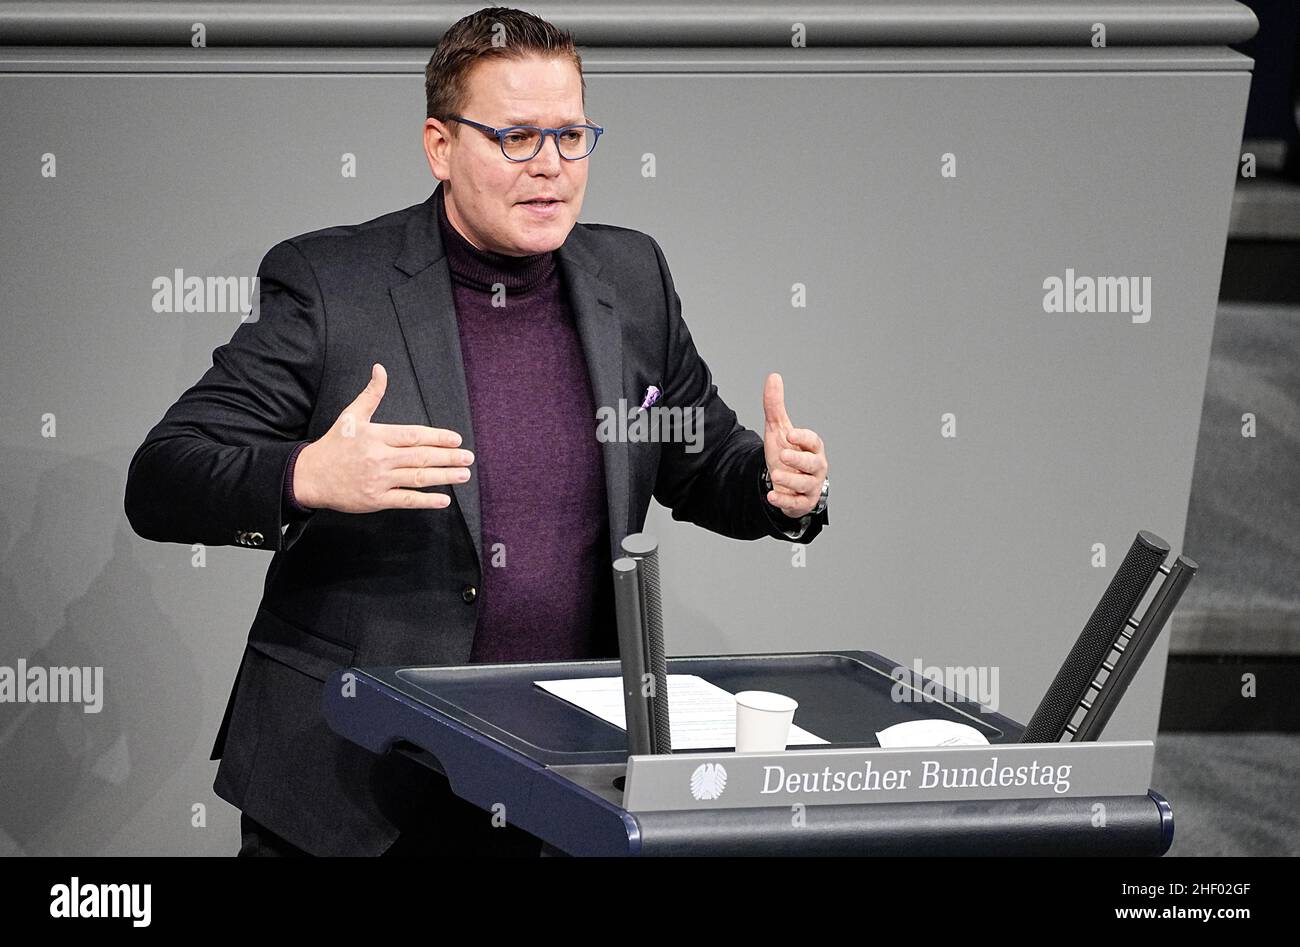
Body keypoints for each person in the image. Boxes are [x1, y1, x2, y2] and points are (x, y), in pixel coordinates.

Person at [124, 6, 830, 857]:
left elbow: (703, 457)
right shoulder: (331, 284)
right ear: (440, 146)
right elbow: (162, 476)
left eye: (571, 136)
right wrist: (306, 475)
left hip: (559, 788)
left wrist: (774, 484)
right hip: (352, 792)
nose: (551, 166)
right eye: (516, 137)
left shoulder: (632, 276)